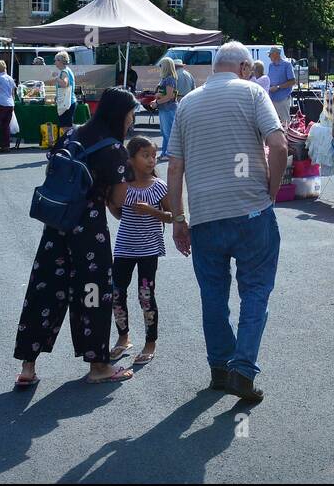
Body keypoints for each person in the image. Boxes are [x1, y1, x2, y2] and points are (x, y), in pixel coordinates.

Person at [167, 41, 288, 403]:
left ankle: (220, 368)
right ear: (245, 69)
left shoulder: (187, 103)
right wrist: (271, 190)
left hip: (205, 215)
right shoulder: (252, 93)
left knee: (213, 295)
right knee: (255, 291)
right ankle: (243, 370)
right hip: (251, 211)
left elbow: (174, 166)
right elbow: (280, 146)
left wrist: (178, 218)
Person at [14, 87, 137, 387]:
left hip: (57, 223)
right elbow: (118, 201)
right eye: (131, 113)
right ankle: (98, 366)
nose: (132, 120)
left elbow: (53, 170)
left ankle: (27, 367)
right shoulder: (114, 149)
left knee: (44, 290)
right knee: (93, 293)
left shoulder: (72, 134)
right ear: (120, 114)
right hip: (90, 231)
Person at [109, 135, 170, 367]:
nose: (152, 160)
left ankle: (150, 343)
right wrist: (110, 202)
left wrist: (151, 212)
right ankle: (123, 338)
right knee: (117, 293)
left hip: (149, 250)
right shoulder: (123, 187)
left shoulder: (159, 186)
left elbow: (172, 216)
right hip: (124, 248)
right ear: (131, 159)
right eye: (145, 155)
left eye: (154, 155)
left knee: (146, 295)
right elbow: (118, 213)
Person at [154, 57, 180, 160]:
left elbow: (169, 96)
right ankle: (165, 153)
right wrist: (157, 98)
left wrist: (156, 102)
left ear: (165, 66)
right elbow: (167, 95)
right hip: (165, 109)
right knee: (165, 133)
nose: (159, 67)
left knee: (168, 133)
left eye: (161, 65)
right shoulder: (167, 78)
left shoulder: (169, 79)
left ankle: (168, 154)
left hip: (168, 109)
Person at [0, 60, 16, 153]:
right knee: (6, 126)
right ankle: (6, 146)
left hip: (0, 103)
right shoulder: (10, 78)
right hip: (10, 104)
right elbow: (13, 92)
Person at [266, 46, 296, 122]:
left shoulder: (287, 65)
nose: (269, 56)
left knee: (285, 121)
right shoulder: (271, 65)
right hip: (272, 98)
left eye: (270, 54)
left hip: (283, 99)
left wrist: (278, 87)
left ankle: (286, 130)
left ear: (276, 54)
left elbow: (292, 81)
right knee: (273, 121)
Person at [52, 50, 77, 129]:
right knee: (67, 127)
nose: (54, 62)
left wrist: (56, 77)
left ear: (61, 61)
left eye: (56, 60)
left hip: (67, 103)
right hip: (69, 102)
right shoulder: (67, 70)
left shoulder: (64, 72)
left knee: (66, 128)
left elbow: (64, 84)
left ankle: (70, 137)